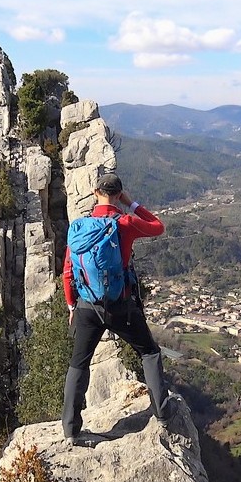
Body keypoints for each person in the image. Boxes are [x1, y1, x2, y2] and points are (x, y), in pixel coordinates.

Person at [61, 173, 174, 445]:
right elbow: (158, 226)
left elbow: (67, 271)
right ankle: (162, 414)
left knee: (78, 364)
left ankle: (71, 430)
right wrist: (131, 203)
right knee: (149, 352)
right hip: (120, 307)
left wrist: (71, 305)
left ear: (95, 192)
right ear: (119, 194)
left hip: (87, 306)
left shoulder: (79, 228)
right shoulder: (124, 222)